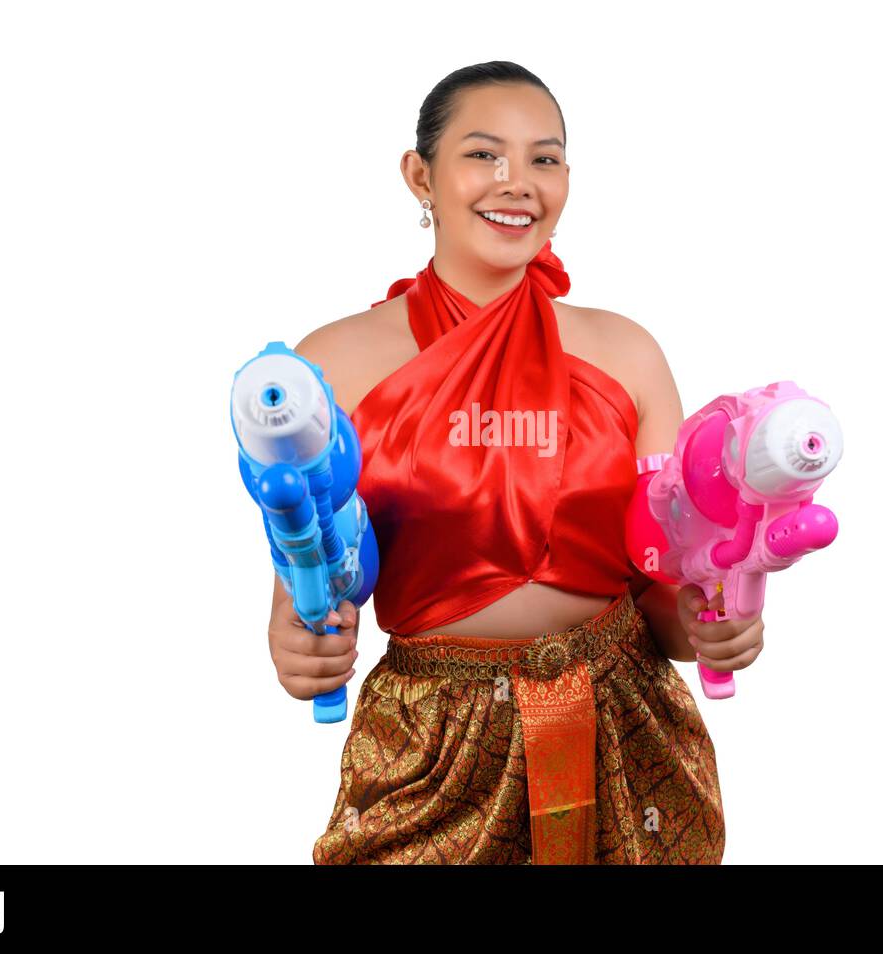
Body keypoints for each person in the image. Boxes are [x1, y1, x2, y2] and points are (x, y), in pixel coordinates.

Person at [268, 61, 765, 864]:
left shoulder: (626, 353)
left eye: (545, 158)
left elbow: (666, 590)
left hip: (625, 729)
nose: (518, 182)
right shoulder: (332, 367)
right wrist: (301, 647)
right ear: (419, 176)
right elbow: (307, 575)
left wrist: (712, 624)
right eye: (483, 154)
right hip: (433, 747)